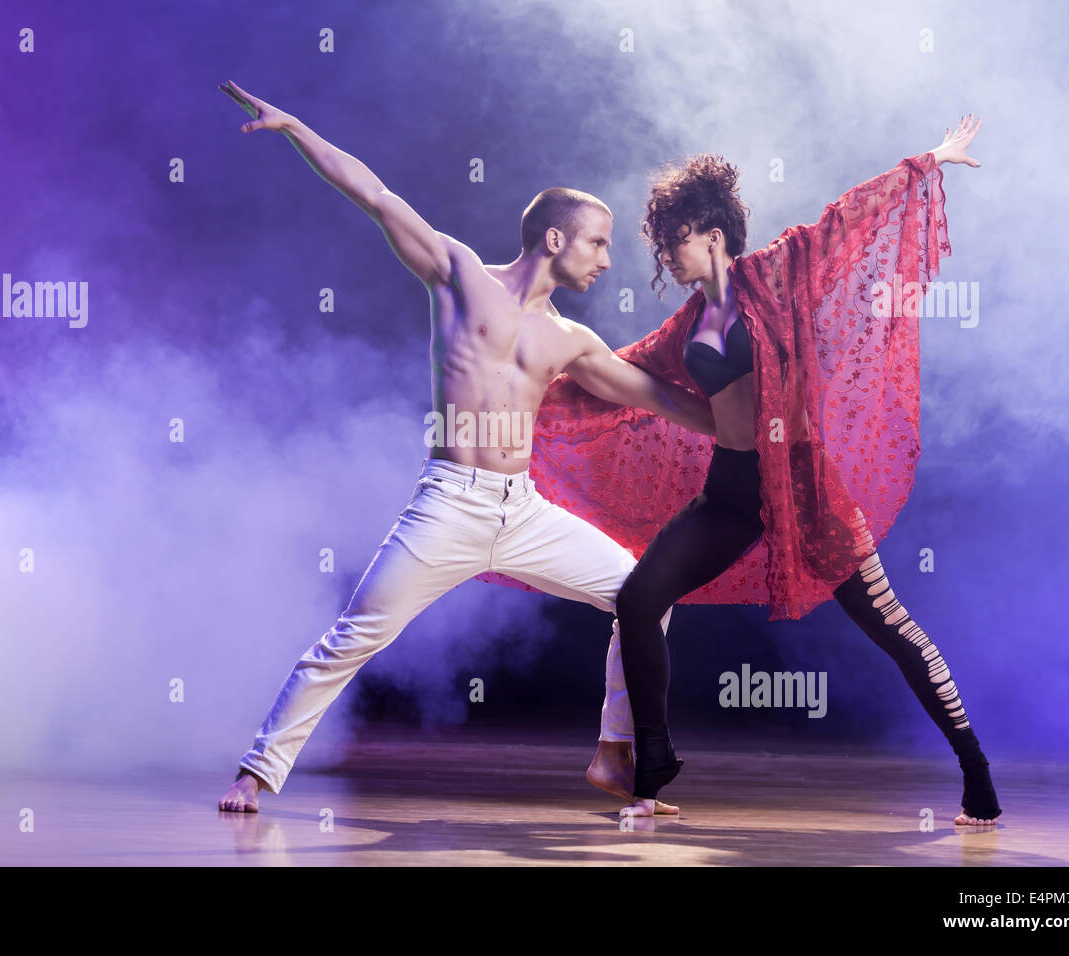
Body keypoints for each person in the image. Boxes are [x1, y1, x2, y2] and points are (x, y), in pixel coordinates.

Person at [214, 81, 713, 812]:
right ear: (555, 239)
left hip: (524, 511)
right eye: (598, 242)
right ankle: (257, 772)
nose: (607, 259)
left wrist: (747, 424)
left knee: (646, 594)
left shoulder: (572, 339)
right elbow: (376, 195)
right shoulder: (459, 275)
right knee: (353, 637)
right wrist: (297, 129)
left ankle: (613, 752)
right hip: (448, 506)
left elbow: (659, 398)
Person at [518, 115, 1002, 825]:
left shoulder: (779, 272)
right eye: (661, 243)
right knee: (638, 598)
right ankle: (650, 771)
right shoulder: (686, 326)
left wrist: (927, 161)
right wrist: (525, 394)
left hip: (807, 492)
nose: (665, 255)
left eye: (674, 239)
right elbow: (610, 374)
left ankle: (976, 773)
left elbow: (847, 220)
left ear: (713, 235)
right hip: (731, 494)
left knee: (895, 630)